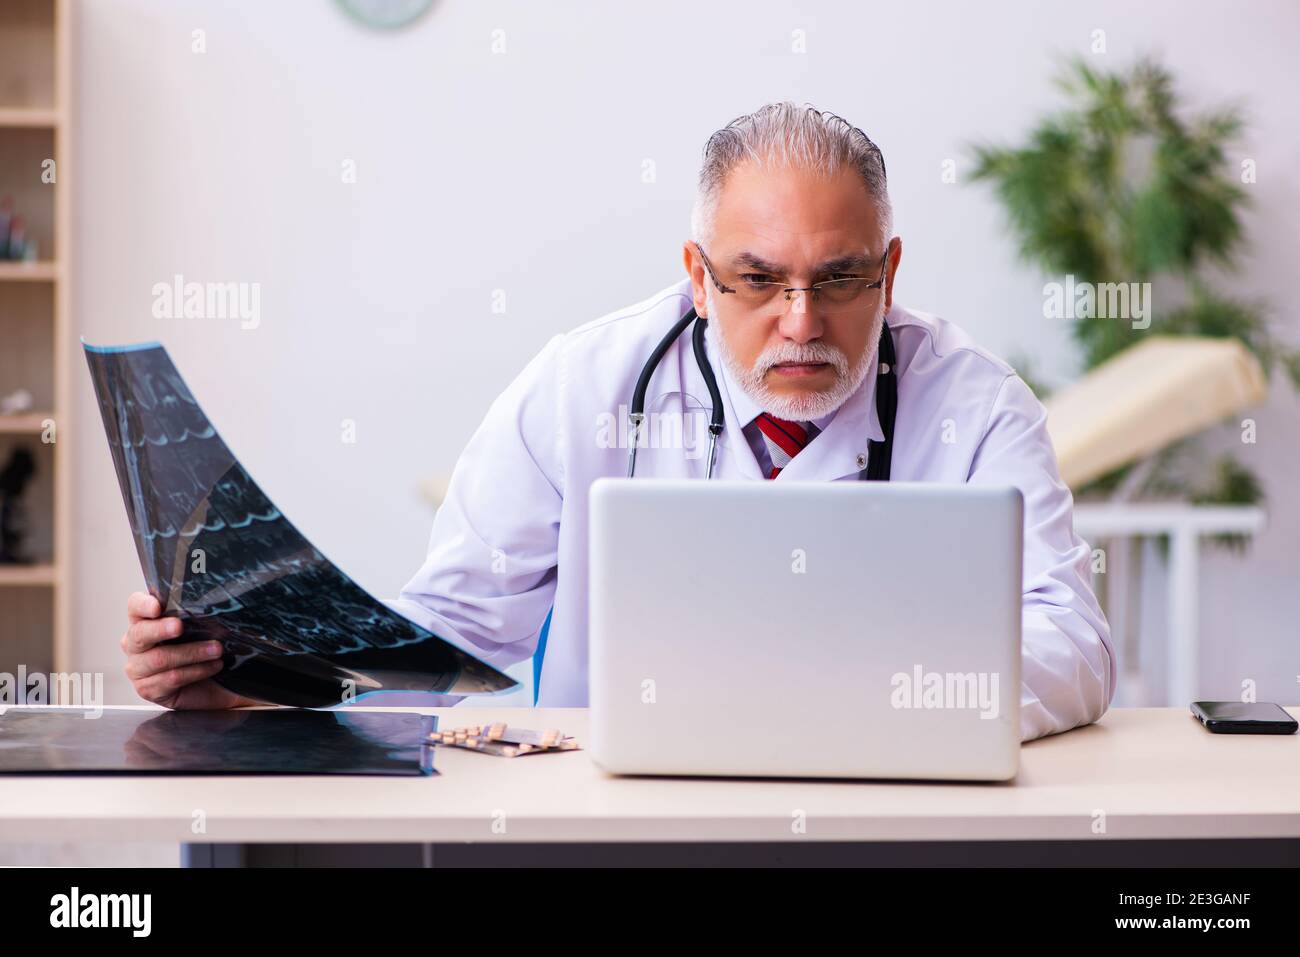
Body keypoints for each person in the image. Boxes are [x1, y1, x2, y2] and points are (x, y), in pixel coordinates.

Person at [120, 102, 1114, 741]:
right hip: (619, 830)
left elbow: (1072, 642)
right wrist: (255, 684)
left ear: (889, 271)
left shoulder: (974, 406)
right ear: (697, 275)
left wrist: (880, 700)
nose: (800, 322)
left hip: (886, 823)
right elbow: (454, 629)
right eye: (757, 280)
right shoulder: (583, 385)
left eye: (841, 279)